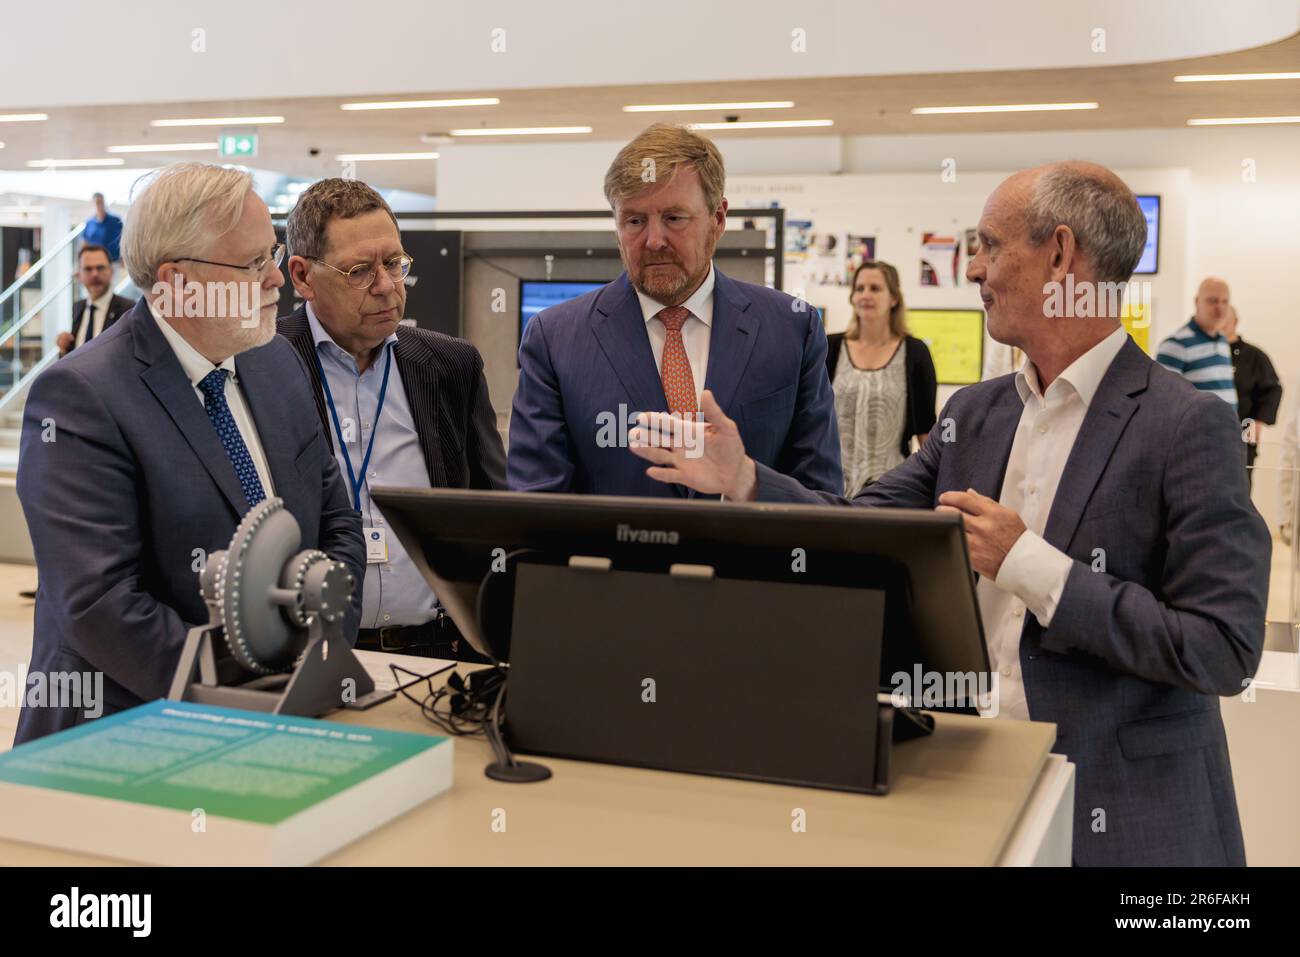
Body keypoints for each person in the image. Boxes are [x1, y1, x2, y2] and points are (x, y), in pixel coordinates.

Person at [629, 161, 1270, 867]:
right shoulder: (976, 414)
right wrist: (744, 478)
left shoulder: (1188, 424)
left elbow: (1222, 648)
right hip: (971, 799)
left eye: (989, 245)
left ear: (1059, 256)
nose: (972, 268)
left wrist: (1029, 565)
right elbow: (860, 528)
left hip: (1125, 818)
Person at [14, 162, 364, 744]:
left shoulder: (275, 362)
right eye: (253, 264)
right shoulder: (80, 398)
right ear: (178, 281)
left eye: (271, 254)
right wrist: (248, 692)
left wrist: (319, 655)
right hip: (123, 740)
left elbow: (337, 523)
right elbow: (100, 605)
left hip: (284, 717)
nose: (277, 279)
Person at [508, 123, 840, 498]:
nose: (653, 241)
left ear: (717, 220)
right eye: (634, 220)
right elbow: (535, 505)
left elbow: (822, 501)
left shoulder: (791, 329)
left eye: (674, 218)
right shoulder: (556, 338)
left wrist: (749, 482)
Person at [279, 178, 505, 660]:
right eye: (359, 270)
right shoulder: (262, 366)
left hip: (438, 652)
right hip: (309, 654)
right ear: (302, 276)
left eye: (394, 264)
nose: (386, 287)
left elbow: (495, 513)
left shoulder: (451, 367)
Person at [826, 260, 936, 495]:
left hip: (891, 490)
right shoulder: (829, 347)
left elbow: (926, 429)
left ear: (894, 298)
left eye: (875, 289)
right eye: (859, 288)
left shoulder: (915, 353)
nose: (866, 295)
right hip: (831, 487)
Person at [1155, 276, 1236, 410]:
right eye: (1213, 301)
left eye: (1224, 302)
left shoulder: (1222, 341)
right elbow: (1163, 401)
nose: (1219, 308)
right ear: (1197, 302)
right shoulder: (1175, 345)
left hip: (1228, 429)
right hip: (1198, 430)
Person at [1224, 305, 1283, 478]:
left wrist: (1258, 421)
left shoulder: (1254, 356)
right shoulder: (1202, 353)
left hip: (1242, 434)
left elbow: (1272, 389)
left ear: (1235, 322)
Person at [57, 244, 134, 356]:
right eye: (88, 269)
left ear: (111, 272)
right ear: (79, 275)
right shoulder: (78, 307)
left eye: (100, 268)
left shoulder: (128, 310)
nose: (95, 274)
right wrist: (64, 349)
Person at [82, 192, 123, 264]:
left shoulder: (115, 220)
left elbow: (122, 239)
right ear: (93, 203)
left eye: (101, 202)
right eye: (97, 202)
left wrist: (123, 258)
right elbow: (86, 242)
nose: (99, 205)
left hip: (112, 261)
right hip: (95, 262)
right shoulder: (89, 223)